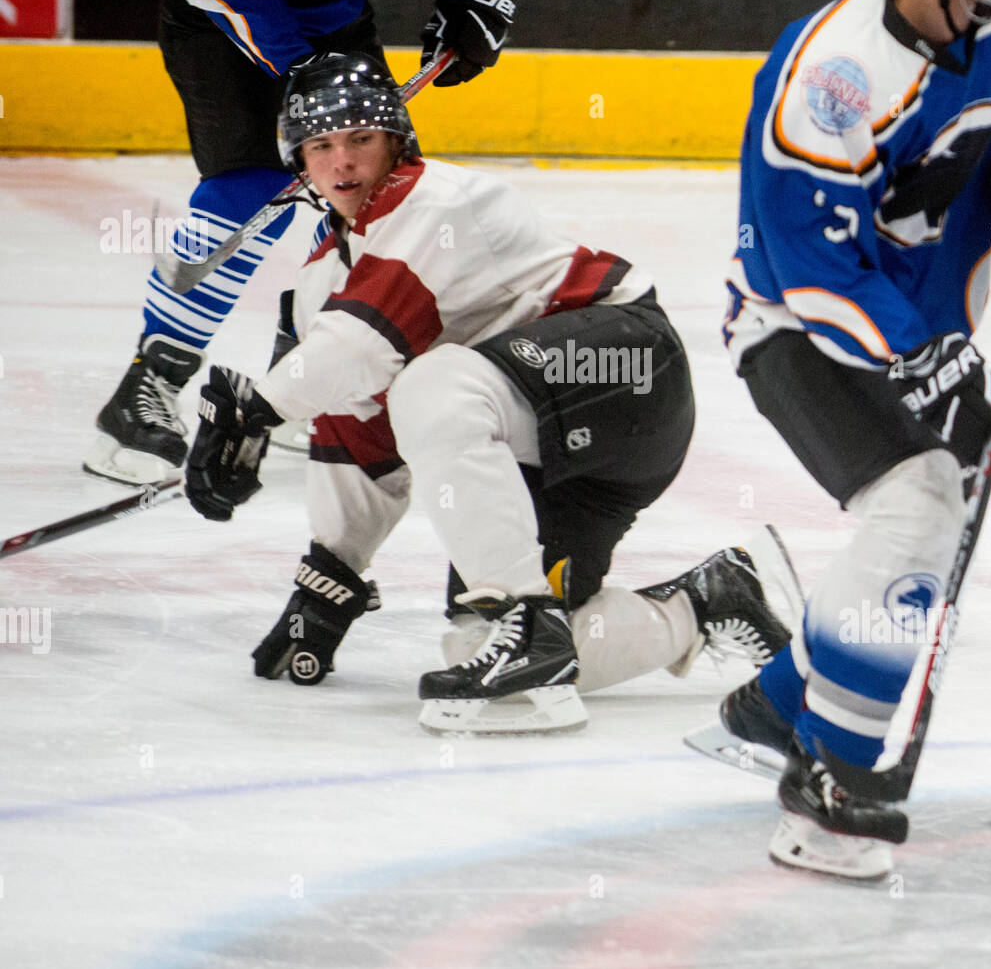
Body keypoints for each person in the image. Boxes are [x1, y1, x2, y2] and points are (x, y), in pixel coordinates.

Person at [690, 0, 991, 878]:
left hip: (923, 318)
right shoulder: (829, 77)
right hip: (797, 324)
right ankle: (829, 780)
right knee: (917, 499)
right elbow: (804, 270)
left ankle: (771, 706)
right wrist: (930, 363)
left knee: (931, 507)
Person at [181, 54, 791, 734]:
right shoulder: (319, 286)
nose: (343, 161)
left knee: (431, 383)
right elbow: (358, 433)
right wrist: (329, 576)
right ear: (301, 162)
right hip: (552, 452)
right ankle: (704, 603)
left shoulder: (436, 200)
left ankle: (524, 620)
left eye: (360, 139)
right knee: (484, 657)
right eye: (321, 146)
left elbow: (358, 350)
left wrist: (255, 411)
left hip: (626, 371)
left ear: (396, 141)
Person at [85, 0, 515, 485]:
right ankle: (146, 387)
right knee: (252, 192)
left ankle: (306, 373)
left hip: (327, 8)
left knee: (371, 189)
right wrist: (306, 71)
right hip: (221, 15)